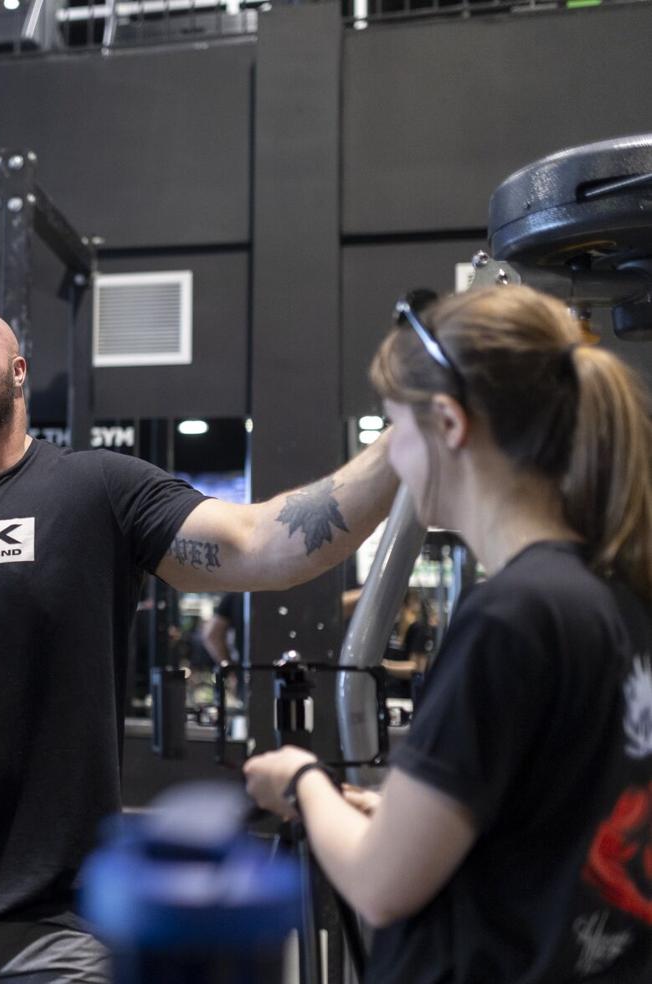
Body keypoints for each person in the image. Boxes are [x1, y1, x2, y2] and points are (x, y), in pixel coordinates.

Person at [0, 297, 399, 983]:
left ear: (18, 371)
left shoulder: (99, 491)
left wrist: (403, 437)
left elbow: (263, 545)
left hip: (62, 919)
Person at [244, 285, 652, 982]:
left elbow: (379, 884)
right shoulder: (613, 595)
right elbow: (554, 820)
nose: (394, 458)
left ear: (449, 425)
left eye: (393, 429)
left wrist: (304, 784)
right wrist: (401, 816)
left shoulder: (511, 617)